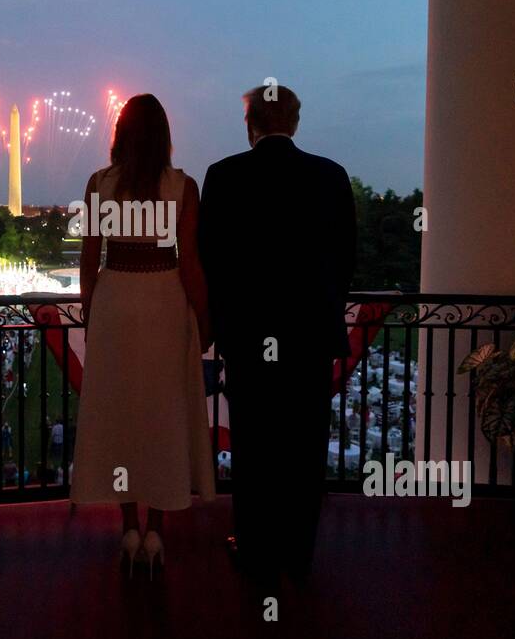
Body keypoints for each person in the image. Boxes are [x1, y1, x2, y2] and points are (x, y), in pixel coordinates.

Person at [198, 84, 356, 583]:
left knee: (254, 445)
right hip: (309, 338)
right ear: (295, 121)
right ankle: (298, 549)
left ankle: (255, 545)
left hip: (248, 337)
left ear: (251, 125)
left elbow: (211, 260)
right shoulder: (330, 177)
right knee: (304, 446)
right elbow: (345, 259)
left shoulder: (224, 177)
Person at [69, 93, 216, 578]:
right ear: (164, 136)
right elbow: (191, 264)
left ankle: (128, 527)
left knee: (123, 415)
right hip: (163, 303)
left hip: (115, 304)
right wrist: (205, 318)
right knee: (163, 416)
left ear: (121, 134)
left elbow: (90, 258)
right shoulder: (182, 187)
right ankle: (156, 530)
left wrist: (93, 315)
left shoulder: (99, 184)